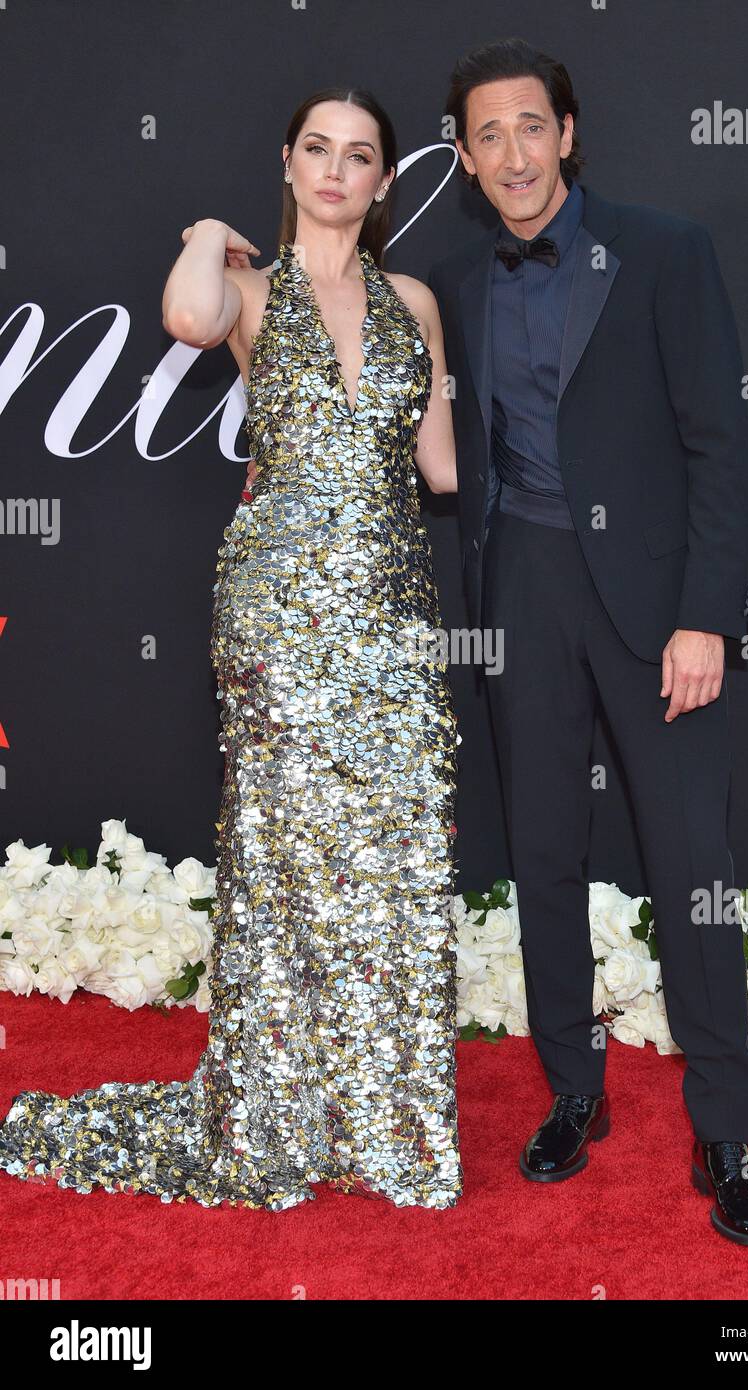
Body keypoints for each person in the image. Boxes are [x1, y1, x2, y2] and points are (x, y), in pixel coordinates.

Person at [0, 88, 463, 1211]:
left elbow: (442, 464)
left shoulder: (416, 298)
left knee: (395, 858)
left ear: (386, 180)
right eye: (318, 151)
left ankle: (389, 1120)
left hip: (394, 610)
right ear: (291, 165)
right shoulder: (252, 290)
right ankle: (274, 1112)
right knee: (290, 856)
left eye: (361, 157)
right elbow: (185, 320)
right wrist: (210, 234)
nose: (338, 172)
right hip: (277, 611)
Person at [426, 37, 748, 1245]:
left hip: (655, 601)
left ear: (567, 134)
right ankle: (574, 1091)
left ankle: (724, 1129)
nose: (513, 153)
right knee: (543, 854)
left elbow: (718, 452)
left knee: (693, 862)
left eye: (532, 126)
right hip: (520, 586)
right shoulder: (459, 287)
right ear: (466, 158)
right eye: (488, 135)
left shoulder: (667, 252)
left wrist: (706, 614)